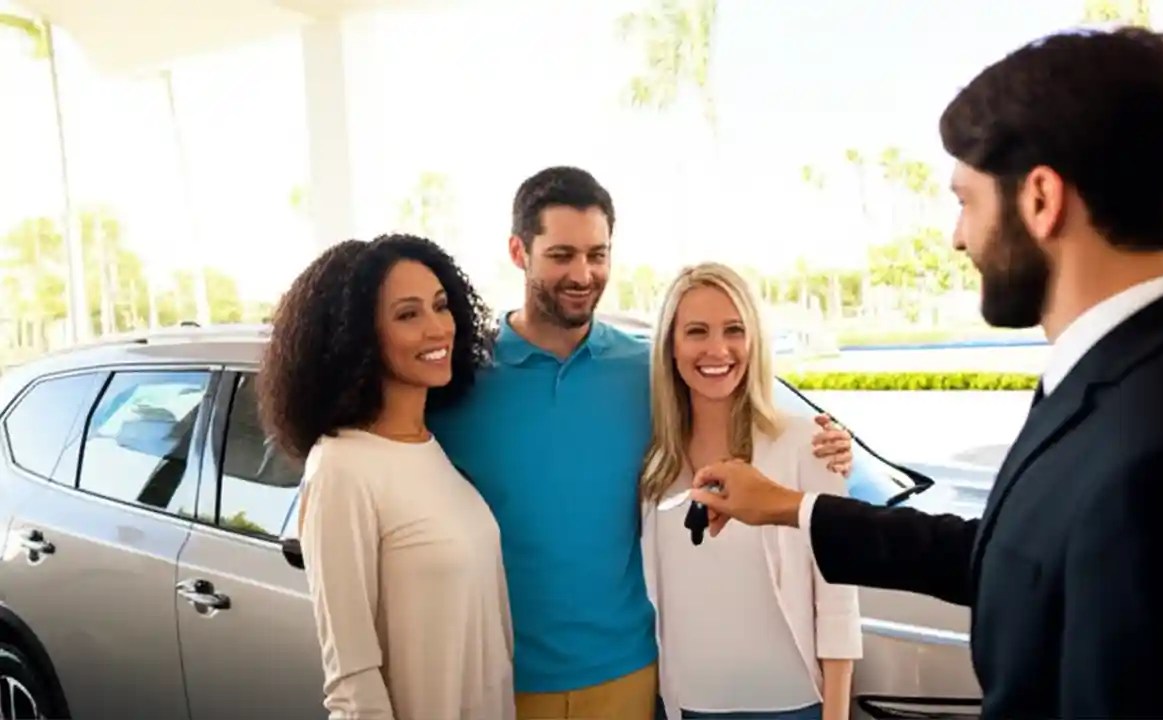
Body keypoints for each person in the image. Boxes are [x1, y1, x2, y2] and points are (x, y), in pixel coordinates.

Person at [687, 26, 1163, 719]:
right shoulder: (1125, 385)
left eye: (966, 200)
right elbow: (1013, 558)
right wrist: (791, 506)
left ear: (1040, 199)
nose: (956, 236)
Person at [429, 166, 857, 720]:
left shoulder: (645, 373)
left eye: (597, 254)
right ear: (519, 251)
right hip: (502, 676)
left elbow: (741, 399)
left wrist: (833, 446)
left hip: (632, 675)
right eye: (561, 255)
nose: (582, 273)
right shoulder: (462, 380)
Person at [258, 234, 515, 720]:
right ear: (358, 338)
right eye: (407, 314)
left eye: (441, 306)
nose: (438, 328)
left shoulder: (433, 450)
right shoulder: (342, 468)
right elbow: (352, 684)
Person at [640, 262, 861, 720]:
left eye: (734, 329)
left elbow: (838, 599)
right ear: (671, 347)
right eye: (696, 331)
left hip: (793, 705)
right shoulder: (654, 462)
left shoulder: (808, 444)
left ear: (754, 340)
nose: (717, 349)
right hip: (685, 706)